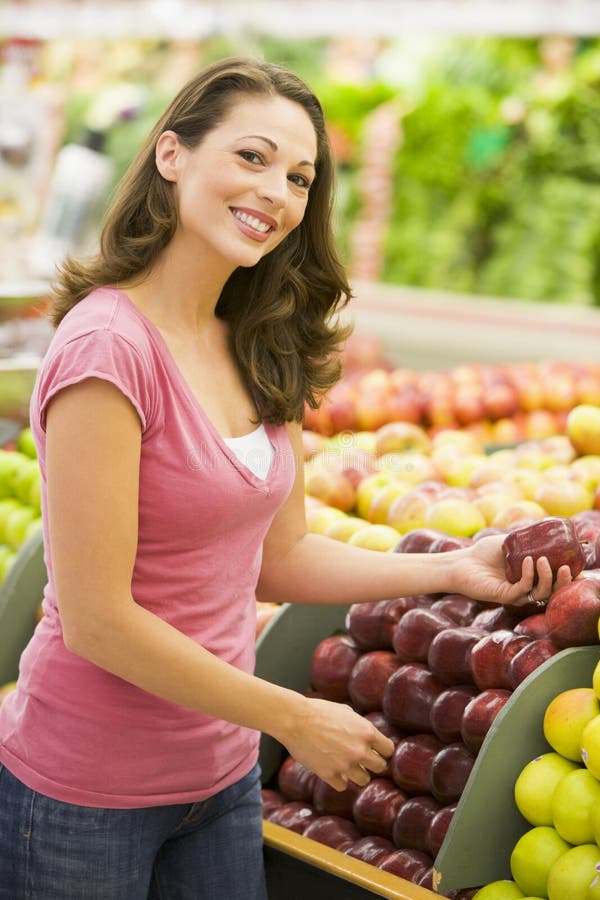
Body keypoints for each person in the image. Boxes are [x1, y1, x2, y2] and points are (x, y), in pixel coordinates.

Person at [0, 56, 571, 900]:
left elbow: (284, 559)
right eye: (253, 157)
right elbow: (96, 620)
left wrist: (450, 569)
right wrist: (292, 714)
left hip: (220, 778)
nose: (277, 192)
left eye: (300, 177)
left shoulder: (260, 338)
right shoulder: (107, 349)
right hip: (87, 791)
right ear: (172, 156)